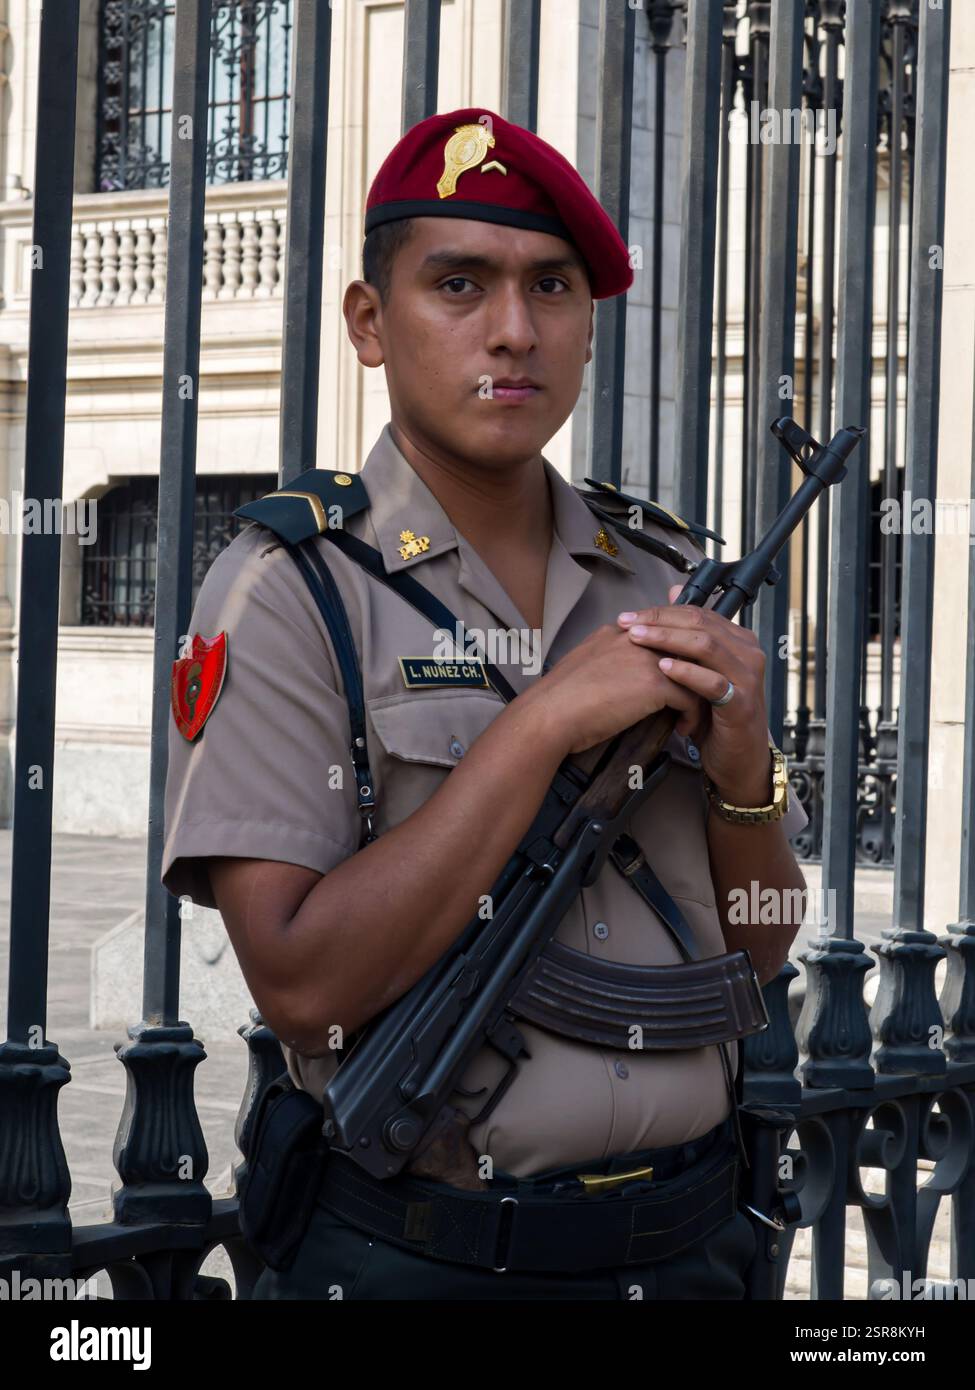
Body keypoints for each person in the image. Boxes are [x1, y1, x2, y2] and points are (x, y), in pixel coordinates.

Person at [161, 107, 809, 1300]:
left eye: (551, 288)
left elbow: (759, 946)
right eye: (460, 284)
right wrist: (543, 721)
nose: (514, 331)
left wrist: (743, 773)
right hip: (429, 1258)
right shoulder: (291, 591)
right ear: (370, 322)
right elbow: (301, 989)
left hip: (697, 1245)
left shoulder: (658, 573)